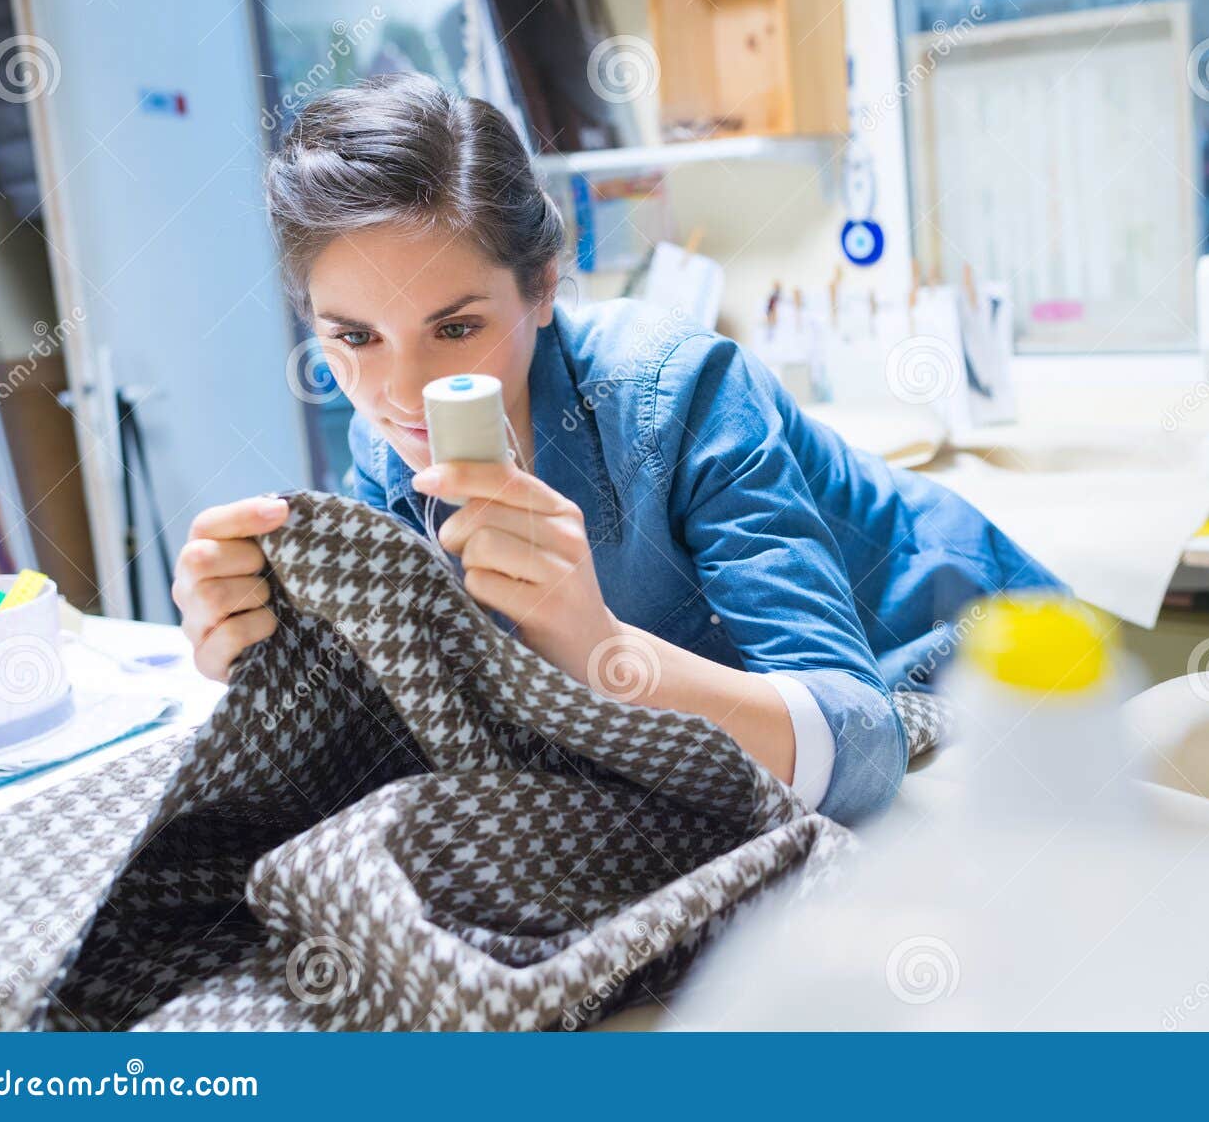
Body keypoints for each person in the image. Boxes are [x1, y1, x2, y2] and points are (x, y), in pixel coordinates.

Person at [171, 73, 1061, 824]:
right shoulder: (383, 457)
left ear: (545, 285)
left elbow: (864, 745)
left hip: (997, 666)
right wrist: (260, 659)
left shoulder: (676, 391)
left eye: (456, 326)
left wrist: (594, 641)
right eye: (355, 338)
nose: (401, 394)